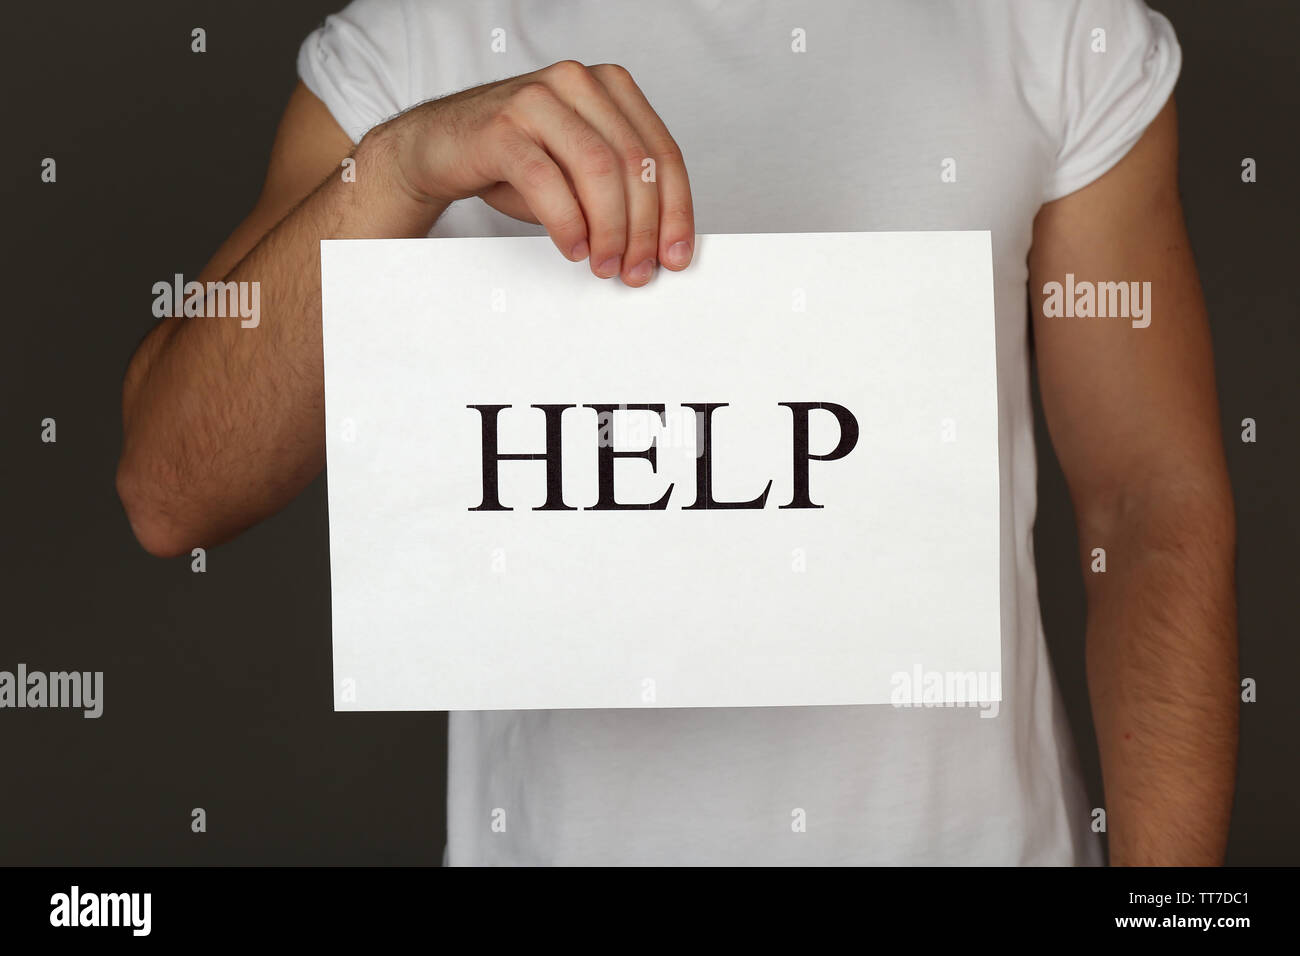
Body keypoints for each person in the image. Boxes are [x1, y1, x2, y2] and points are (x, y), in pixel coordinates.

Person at [115, 0, 1238, 865]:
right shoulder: (418, 37)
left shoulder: (1058, 31)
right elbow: (173, 488)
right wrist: (401, 167)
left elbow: (1147, 509)